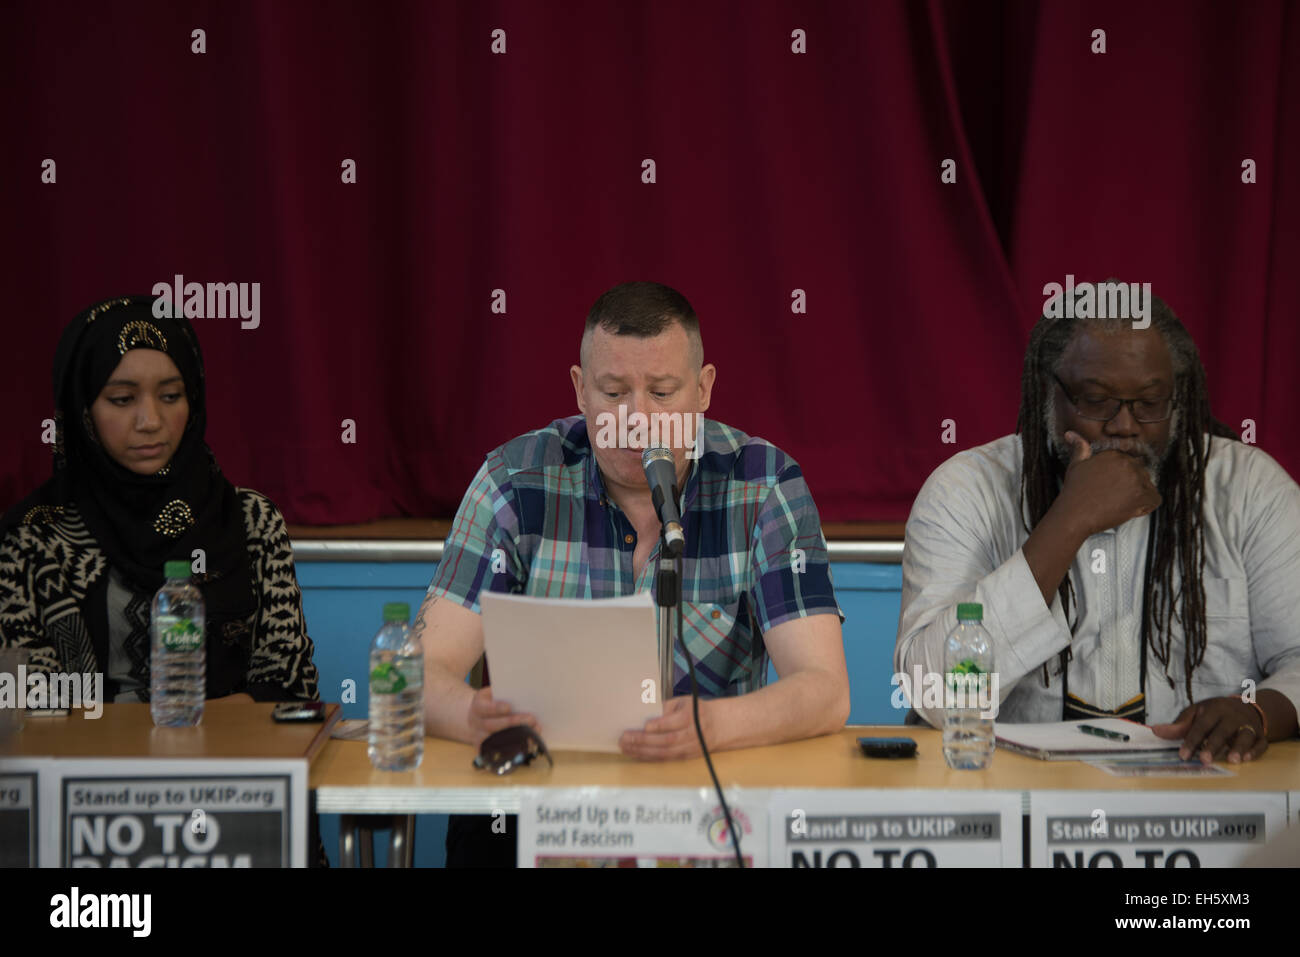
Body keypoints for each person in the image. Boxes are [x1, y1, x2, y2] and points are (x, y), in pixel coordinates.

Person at [418, 281, 849, 865]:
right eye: (614, 392)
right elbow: (419, 674)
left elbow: (824, 692)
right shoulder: (514, 482)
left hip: (703, 821)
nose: (636, 419)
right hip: (539, 814)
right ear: (579, 391)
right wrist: (469, 713)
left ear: (703, 391)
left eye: (663, 393)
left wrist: (711, 725)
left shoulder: (765, 486)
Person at [896, 284, 1299, 765]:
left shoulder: (1249, 490)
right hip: (1012, 793)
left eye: (1150, 403)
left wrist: (1256, 711)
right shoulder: (967, 491)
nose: (1124, 425)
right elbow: (933, 691)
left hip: (1202, 795)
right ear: (1049, 392)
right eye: (1096, 400)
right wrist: (1068, 522)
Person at [0, 296, 320, 706]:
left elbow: (289, 687)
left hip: (227, 760)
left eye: (170, 396)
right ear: (83, 411)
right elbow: (29, 706)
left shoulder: (248, 520)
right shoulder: (35, 536)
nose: (150, 421)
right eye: (121, 399)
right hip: (87, 765)